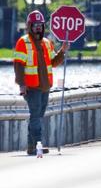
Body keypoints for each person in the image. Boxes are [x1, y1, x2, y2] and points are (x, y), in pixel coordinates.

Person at [13, 10, 67, 155]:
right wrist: (22, 85)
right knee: (36, 115)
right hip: (31, 87)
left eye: (40, 25)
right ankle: (38, 145)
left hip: (45, 86)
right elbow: (18, 65)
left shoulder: (47, 43)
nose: (38, 27)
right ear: (29, 26)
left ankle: (31, 147)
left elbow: (53, 62)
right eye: (35, 24)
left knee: (37, 116)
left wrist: (62, 51)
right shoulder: (23, 42)